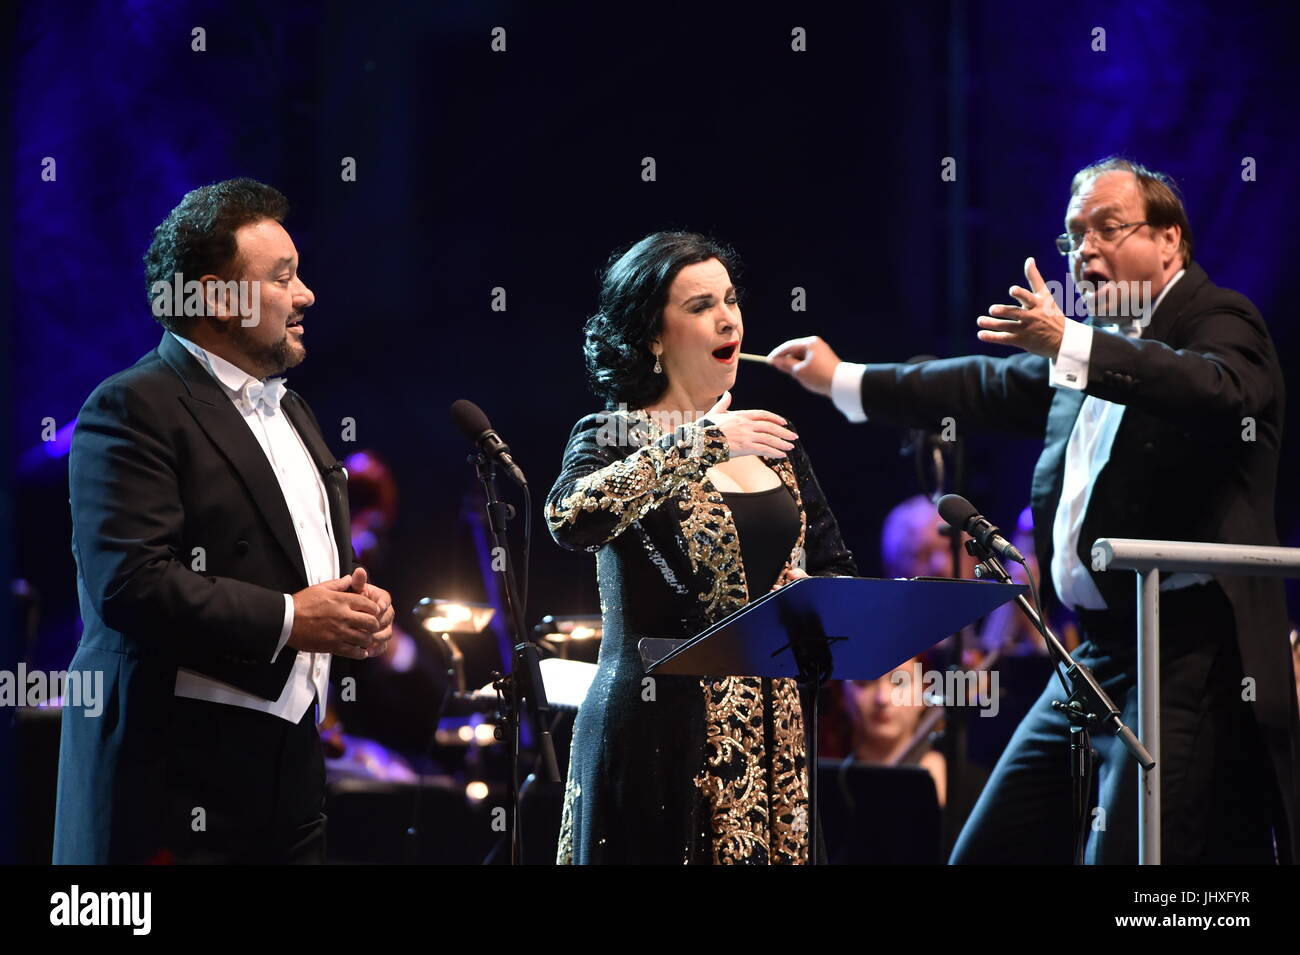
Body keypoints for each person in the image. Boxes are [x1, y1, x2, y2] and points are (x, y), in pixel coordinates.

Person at [769, 157, 1298, 864]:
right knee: (986, 852)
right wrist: (844, 379)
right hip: (1097, 654)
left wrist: (1071, 341)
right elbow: (979, 383)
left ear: (1170, 240)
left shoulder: (1220, 319)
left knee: (1131, 865)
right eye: (1074, 236)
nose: (1084, 251)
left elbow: (1218, 391)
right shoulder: (1082, 358)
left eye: (1107, 228)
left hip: (1187, 649)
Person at [54, 178, 395, 864]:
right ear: (216, 296)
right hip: (172, 782)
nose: (307, 296)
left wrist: (358, 609)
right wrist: (295, 618)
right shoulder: (132, 405)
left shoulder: (293, 408)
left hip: (292, 775)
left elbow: (299, 569)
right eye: (284, 277)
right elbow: (131, 582)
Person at [546, 231, 857, 864]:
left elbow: (833, 570)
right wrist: (702, 442)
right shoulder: (615, 432)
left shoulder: (772, 439)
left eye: (732, 300)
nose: (727, 318)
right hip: (660, 734)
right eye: (699, 306)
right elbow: (570, 516)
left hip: (778, 749)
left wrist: (819, 606)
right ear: (653, 337)